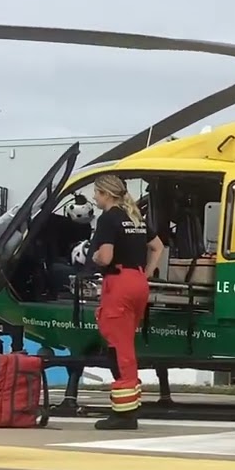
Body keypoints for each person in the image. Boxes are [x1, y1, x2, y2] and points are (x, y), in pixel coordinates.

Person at [88, 174, 164, 430]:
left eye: (97, 193)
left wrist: (94, 257)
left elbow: (106, 257)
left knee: (119, 347)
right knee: (124, 342)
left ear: (107, 194)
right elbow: (158, 246)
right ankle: (127, 406)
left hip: (119, 282)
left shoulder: (108, 219)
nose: (94, 198)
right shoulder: (135, 216)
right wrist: (149, 271)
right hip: (138, 281)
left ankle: (125, 412)